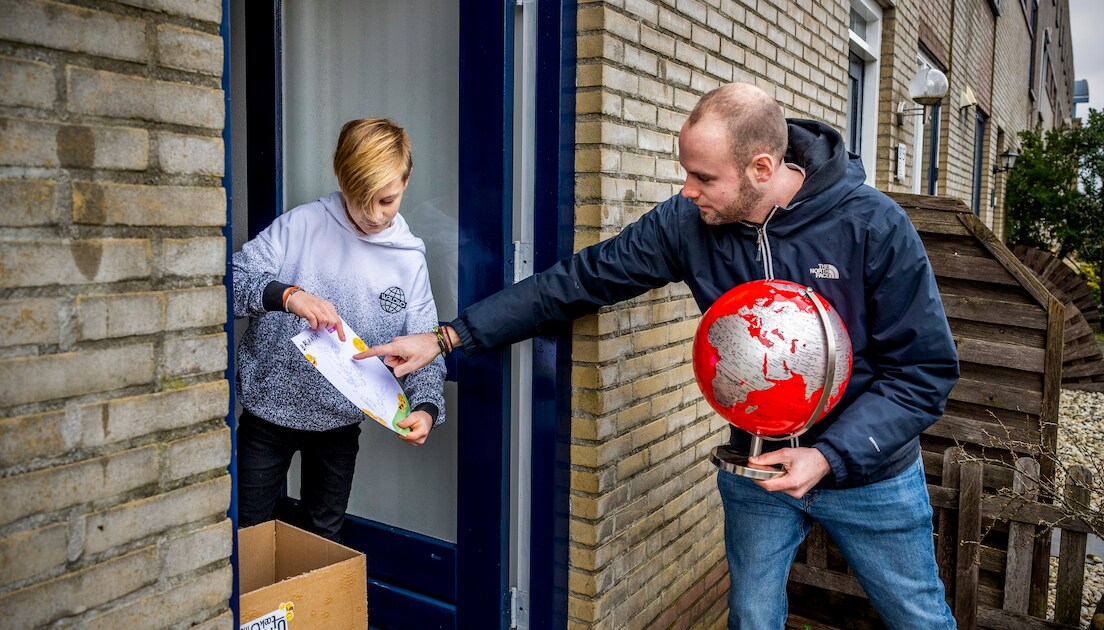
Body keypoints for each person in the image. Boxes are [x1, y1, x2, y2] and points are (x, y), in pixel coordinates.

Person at [356, 83, 958, 627]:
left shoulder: (873, 226)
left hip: (870, 473)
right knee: (750, 614)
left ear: (762, 167)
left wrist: (829, 456)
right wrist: (446, 337)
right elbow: (577, 281)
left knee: (917, 616)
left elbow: (924, 372)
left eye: (703, 177)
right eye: (685, 172)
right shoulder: (687, 225)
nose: (685, 190)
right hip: (758, 461)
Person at [233, 117, 446, 541]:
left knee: (321, 542)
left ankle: (306, 611)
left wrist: (426, 408)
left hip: (338, 427)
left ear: (407, 181)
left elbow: (422, 345)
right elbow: (233, 279)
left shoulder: (408, 260)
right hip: (266, 415)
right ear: (341, 179)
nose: (371, 214)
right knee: (246, 534)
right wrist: (288, 295)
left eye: (386, 201)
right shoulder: (302, 225)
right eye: (358, 199)